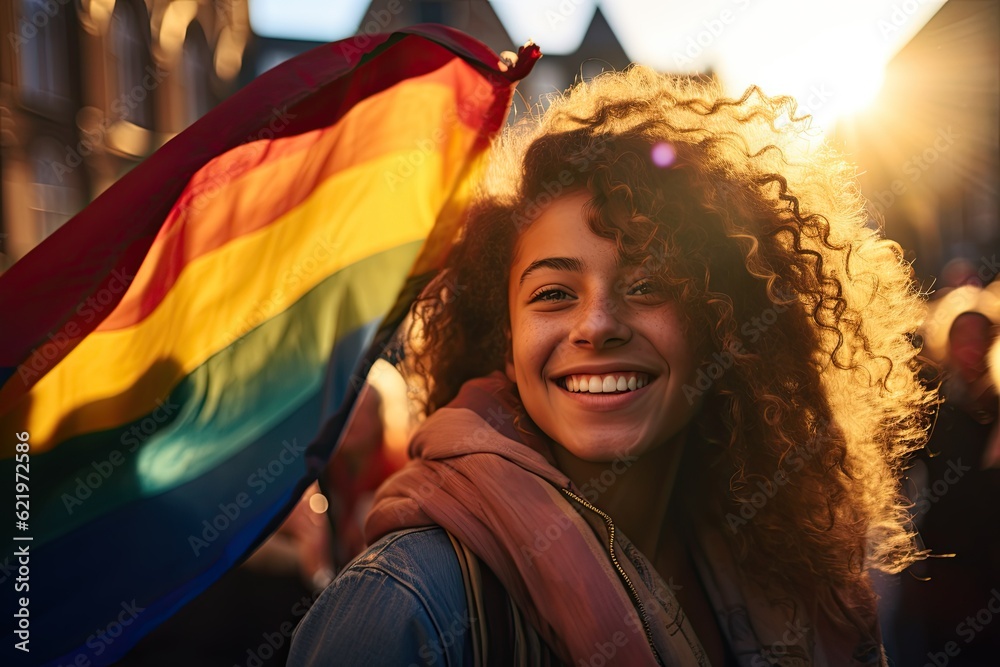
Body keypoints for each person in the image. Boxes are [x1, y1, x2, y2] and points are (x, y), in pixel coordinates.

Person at [287, 66, 934, 666]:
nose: (596, 324)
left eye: (649, 285)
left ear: (724, 323)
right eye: (553, 294)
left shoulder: (784, 564)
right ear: (504, 337)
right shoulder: (409, 602)